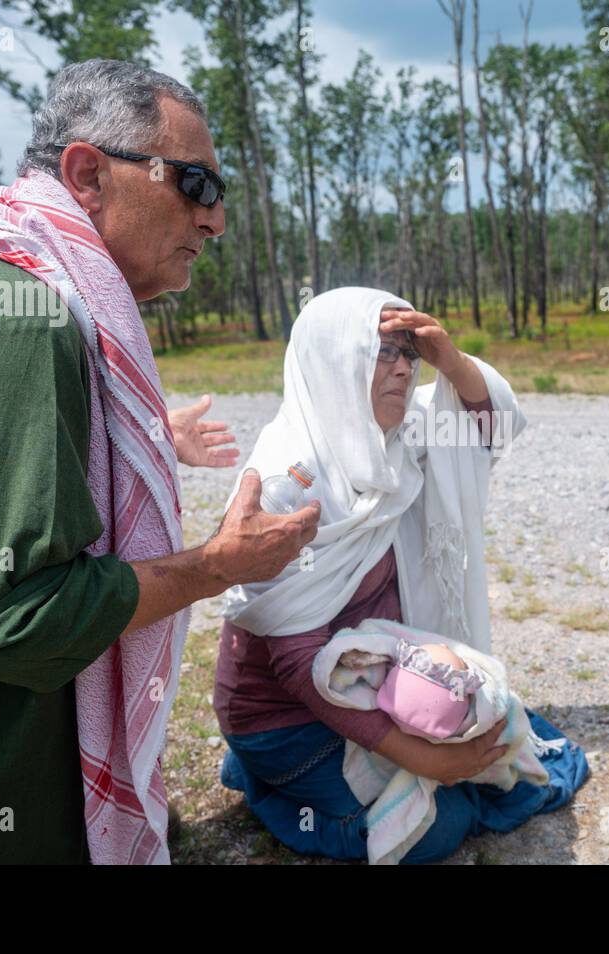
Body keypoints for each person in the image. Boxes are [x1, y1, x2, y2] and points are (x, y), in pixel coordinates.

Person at [0, 59, 318, 864]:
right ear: (88, 175)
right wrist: (219, 565)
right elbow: (20, 620)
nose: (215, 221)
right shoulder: (18, 324)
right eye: (197, 185)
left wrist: (128, 439)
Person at [212, 286, 589, 863]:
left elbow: (491, 429)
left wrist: (453, 361)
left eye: (409, 352)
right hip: (284, 716)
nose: (405, 368)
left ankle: (284, 777)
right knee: (444, 822)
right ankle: (269, 781)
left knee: (495, 731)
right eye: (382, 351)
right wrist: (424, 760)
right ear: (336, 362)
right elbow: (296, 660)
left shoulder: (396, 440)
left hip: (368, 680)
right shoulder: (289, 481)